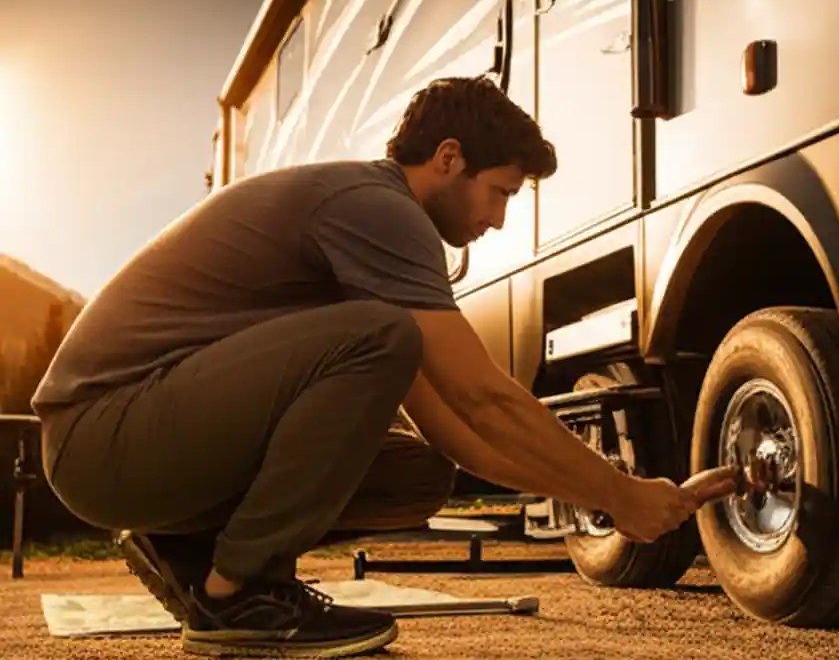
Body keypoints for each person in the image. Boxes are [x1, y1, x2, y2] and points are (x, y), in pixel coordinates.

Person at [31, 75, 737, 658]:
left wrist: (612, 498)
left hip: (133, 442)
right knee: (381, 334)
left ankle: (189, 550)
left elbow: (460, 435)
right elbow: (483, 396)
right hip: (103, 431)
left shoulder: (374, 238)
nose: (498, 220)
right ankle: (239, 595)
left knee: (418, 475)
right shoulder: (378, 208)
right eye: (500, 192)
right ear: (450, 158)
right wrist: (619, 492)